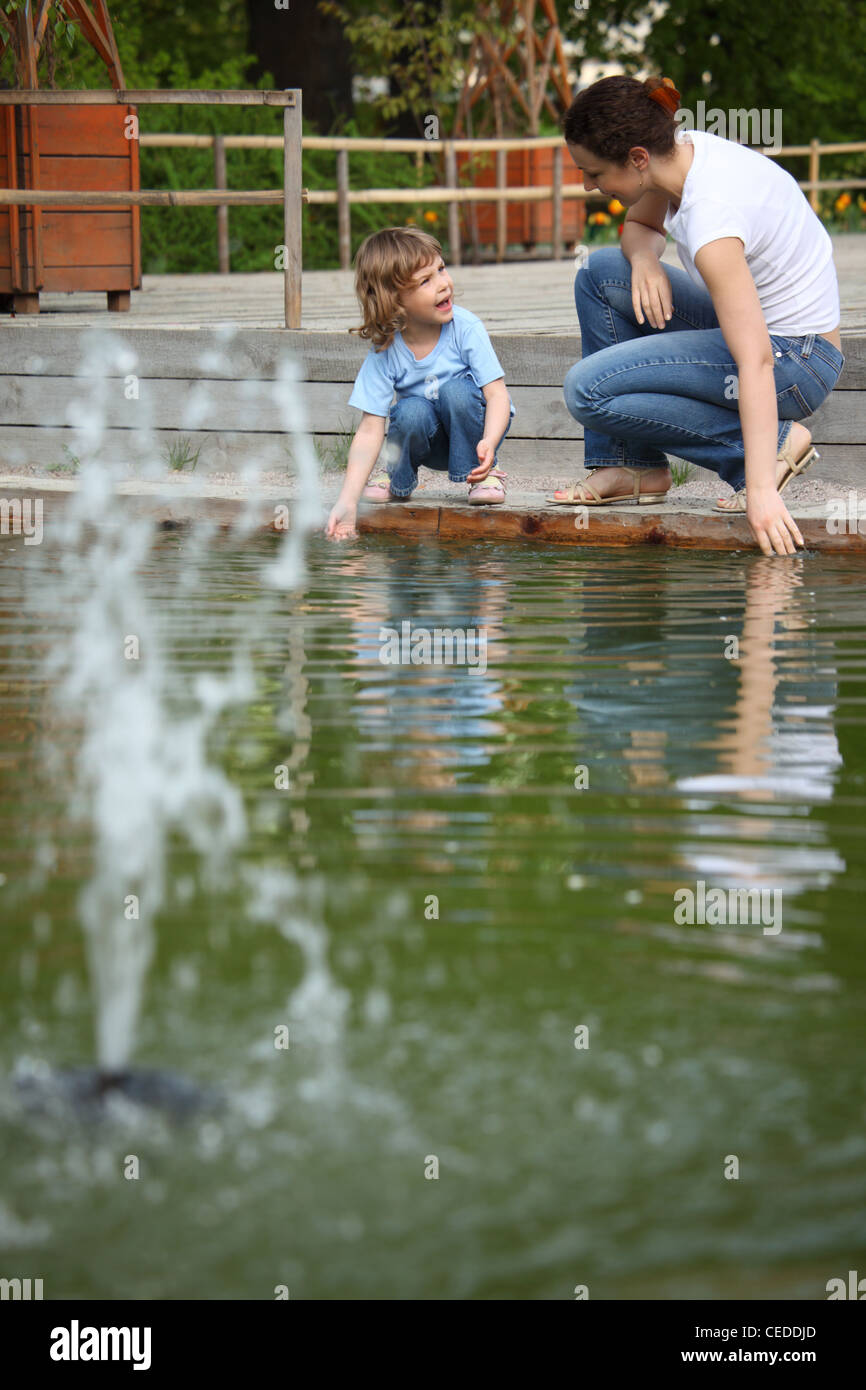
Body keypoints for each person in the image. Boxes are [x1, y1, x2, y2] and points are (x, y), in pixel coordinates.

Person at [550, 75, 845, 558]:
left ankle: (773, 447)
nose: (588, 185)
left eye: (595, 173)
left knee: (587, 389)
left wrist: (760, 491)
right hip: (767, 333)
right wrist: (645, 260)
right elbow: (641, 226)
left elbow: (757, 362)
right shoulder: (681, 154)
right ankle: (632, 465)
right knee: (602, 273)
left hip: (796, 362)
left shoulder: (712, 221)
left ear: (637, 158)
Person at [325, 227, 514, 541]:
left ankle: (483, 476)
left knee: (456, 391)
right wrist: (347, 501)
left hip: (474, 437)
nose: (443, 284)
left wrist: (490, 444)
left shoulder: (465, 327)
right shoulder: (386, 349)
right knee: (410, 410)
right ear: (395, 299)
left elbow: (497, 396)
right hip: (427, 441)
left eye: (441, 269)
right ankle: (398, 477)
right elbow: (371, 428)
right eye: (426, 281)